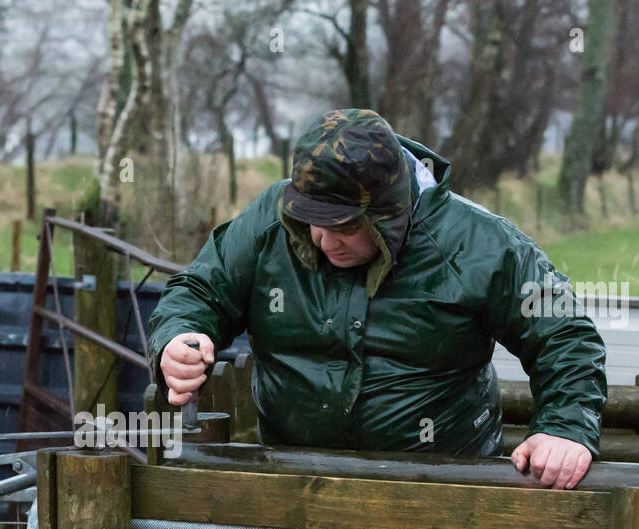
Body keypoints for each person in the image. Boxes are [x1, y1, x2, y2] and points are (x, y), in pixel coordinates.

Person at [147, 109, 607, 490]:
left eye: (345, 227)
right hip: (292, 479)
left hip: (447, 488)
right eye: (311, 222)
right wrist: (178, 338)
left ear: (389, 214)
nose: (324, 241)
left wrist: (564, 427)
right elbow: (201, 288)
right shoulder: (270, 223)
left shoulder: (479, 244)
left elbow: (564, 335)